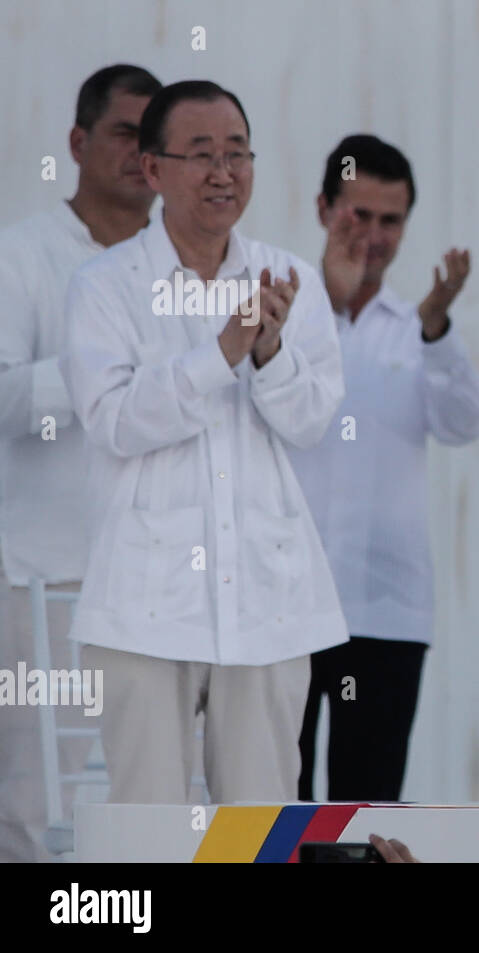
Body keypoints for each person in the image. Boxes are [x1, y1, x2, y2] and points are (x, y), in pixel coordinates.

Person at [60, 80, 348, 803]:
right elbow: (115, 420)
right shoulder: (103, 286)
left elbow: (314, 421)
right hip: (143, 606)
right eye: (200, 155)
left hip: (268, 602)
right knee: (148, 832)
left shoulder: (291, 280)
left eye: (237, 153)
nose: (224, 172)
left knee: (260, 829)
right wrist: (221, 352)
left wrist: (270, 352)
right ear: (153, 169)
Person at [291, 135, 479, 801]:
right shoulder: (277, 312)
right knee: (269, 805)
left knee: (366, 811)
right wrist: (323, 304)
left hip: (385, 607)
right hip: (280, 602)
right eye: (359, 214)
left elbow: (466, 421)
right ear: (324, 208)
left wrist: (438, 329)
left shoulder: (418, 325)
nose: (374, 235)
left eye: (391, 220)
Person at [0, 63, 161, 861]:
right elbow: (2, 399)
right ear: (77, 141)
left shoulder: (189, 268)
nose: (141, 154)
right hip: (47, 580)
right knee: (34, 808)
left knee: (159, 805)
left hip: (166, 581)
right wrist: (97, 363)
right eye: (125, 133)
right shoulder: (22, 255)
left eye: (151, 138)